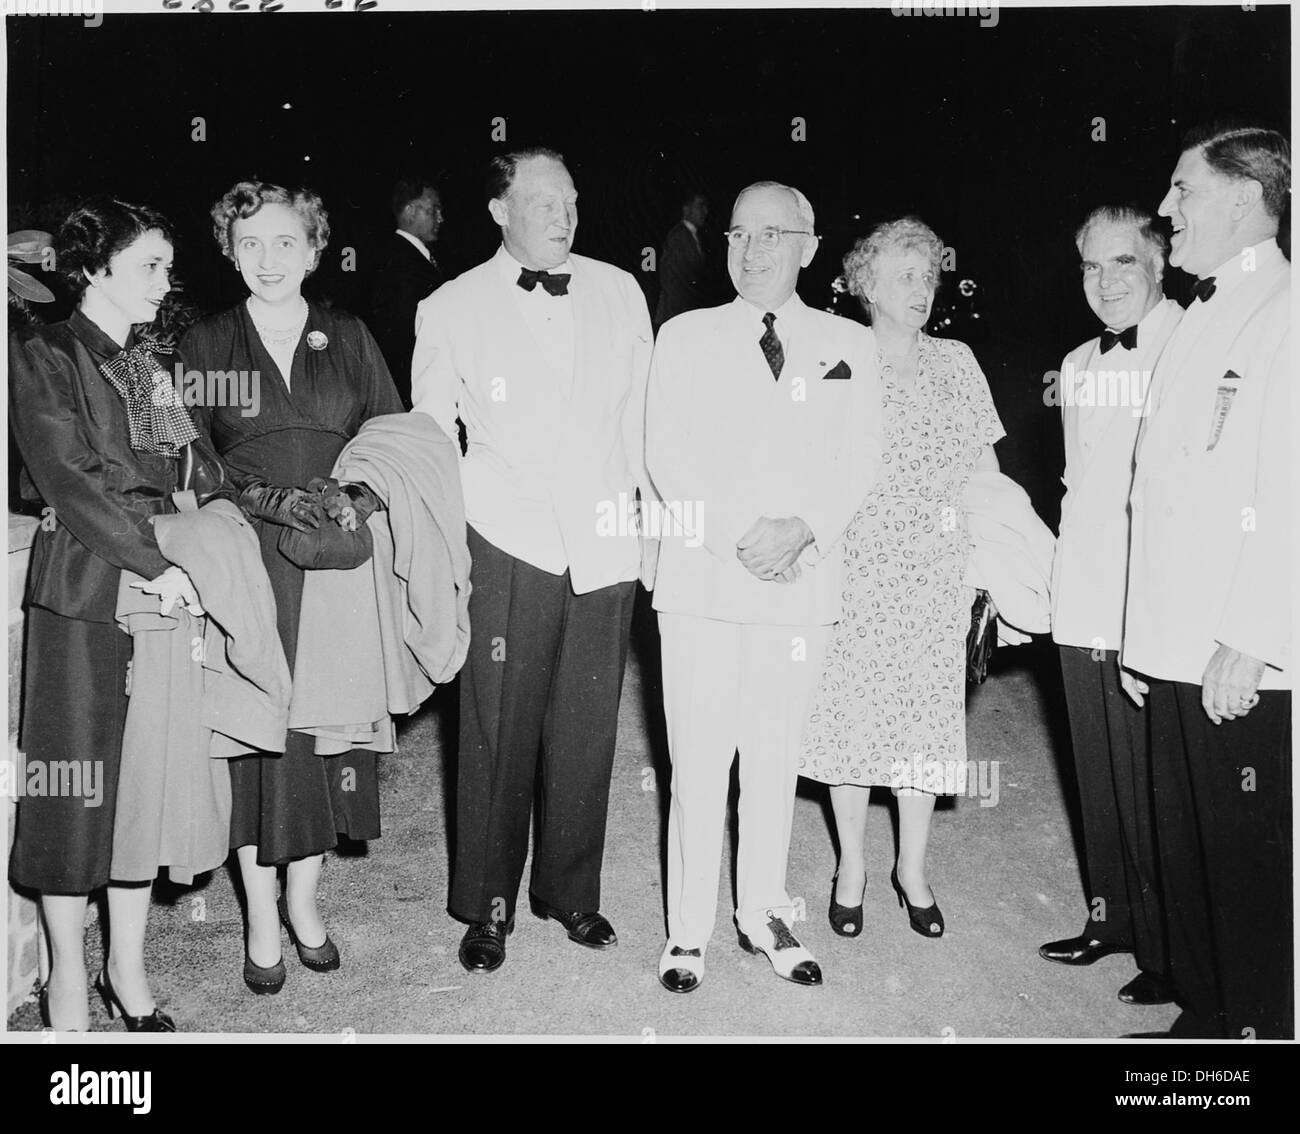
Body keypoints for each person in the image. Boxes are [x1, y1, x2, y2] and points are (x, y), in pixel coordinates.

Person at [410, 146, 653, 975]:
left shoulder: (621, 289)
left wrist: (647, 533)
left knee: (587, 729)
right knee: (496, 730)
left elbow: (641, 423)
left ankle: (570, 891)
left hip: (603, 540)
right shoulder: (449, 305)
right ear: (499, 210)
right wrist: (447, 556)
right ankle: (489, 904)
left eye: (572, 199)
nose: (563, 213)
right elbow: (433, 440)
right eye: (543, 199)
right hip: (504, 535)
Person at [646, 181, 883, 992]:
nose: (753, 250)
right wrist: (735, 539)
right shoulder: (683, 335)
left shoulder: (850, 342)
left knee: (775, 760)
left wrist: (802, 529)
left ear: (810, 247)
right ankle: (688, 931)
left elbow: (860, 460)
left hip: (800, 583)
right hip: (705, 579)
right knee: (700, 761)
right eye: (740, 234)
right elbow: (665, 453)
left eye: (774, 234)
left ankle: (764, 915)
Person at [181, 180, 405, 995]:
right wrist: (256, 500)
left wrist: (358, 499)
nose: (267, 261)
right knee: (257, 741)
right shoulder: (206, 344)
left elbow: (393, 439)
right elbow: (190, 460)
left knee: (319, 744)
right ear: (229, 252)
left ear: (315, 250)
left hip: (337, 566)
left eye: (285, 243)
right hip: (248, 564)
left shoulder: (346, 335)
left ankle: (306, 904)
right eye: (249, 244)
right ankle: (262, 917)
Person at [8, 197, 224, 1031]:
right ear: (93, 269)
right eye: (150, 267)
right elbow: (68, 480)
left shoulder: (149, 364)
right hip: (87, 595)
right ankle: (68, 980)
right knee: (73, 791)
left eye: (169, 268)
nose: (166, 284)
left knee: (140, 791)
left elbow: (195, 471)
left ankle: (126, 975)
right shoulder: (44, 352)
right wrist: (157, 562)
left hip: (162, 598)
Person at [1120, 123, 1291, 1039]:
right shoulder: (1203, 309)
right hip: (1179, 629)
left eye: (1181, 191)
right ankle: (1210, 1003)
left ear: (1238, 198)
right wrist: (1148, 634)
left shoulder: (1286, 311)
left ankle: (1258, 1022)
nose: (1165, 209)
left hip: (1235, 640)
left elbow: (1288, 494)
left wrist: (1254, 636)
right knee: (1187, 831)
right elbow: (1173, 485)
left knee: (1244, 848)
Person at [799, 217, 1002, 944]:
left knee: (922, 723)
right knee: (848, 721)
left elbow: (986, 472)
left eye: (930, 275)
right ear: (866, 285)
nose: (923, 288)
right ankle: (851, 866)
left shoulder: (959, 360)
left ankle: (911, 871)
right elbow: (810, 467)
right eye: (907, 275)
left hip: (937, 572)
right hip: (854, 568)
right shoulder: (836, 358)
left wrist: (987, 571)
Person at [1038, 205, 1181, 1008]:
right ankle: (1111, 918)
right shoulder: (1078, 362)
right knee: (1098, 771)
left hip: (1151, 603)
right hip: (1085, 593)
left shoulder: (1187, 347)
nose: (1104, 282)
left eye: (1122, 263)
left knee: (1151, 779)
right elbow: (1079, 488)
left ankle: (1168, 946)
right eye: (1090, 267)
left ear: (1159, 263)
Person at [362, 176, 445, 408]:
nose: (441, 217)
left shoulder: (411, 257)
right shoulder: (399, 263)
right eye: (434, 210)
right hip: (410, 388)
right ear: (409, 211)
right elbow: (403, 336)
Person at [654, 190, 713, 331]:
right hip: (677, 316)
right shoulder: (679, 237)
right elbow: (675, 283)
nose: (705, 211)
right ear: (686, 209)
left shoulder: (691, 236)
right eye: (700, 206)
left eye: (706, 207)